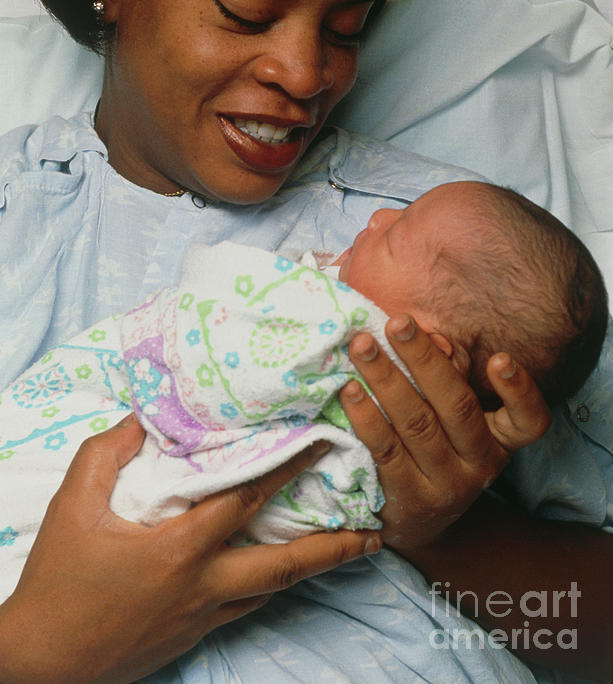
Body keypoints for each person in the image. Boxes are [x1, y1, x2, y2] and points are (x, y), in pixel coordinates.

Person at [0, 0, 609, 681]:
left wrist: (453, 532)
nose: (304, 72)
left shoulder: (455, 241)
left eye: (347, 28)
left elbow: (587, 639)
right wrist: (38, 650)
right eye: (245, 14)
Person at [0, 180, 607, 604]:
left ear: (426, 344)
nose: (376, 219)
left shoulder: (357, 342)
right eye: (244, 15)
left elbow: (219, 353)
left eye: (395, 237)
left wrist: (438, 528)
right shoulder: (26, 190)